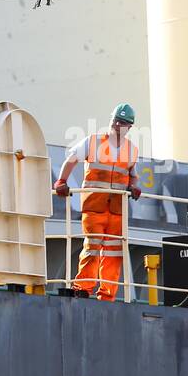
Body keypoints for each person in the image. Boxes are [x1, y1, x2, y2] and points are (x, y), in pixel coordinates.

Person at [53, 103, 142, 301]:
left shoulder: (131, 151)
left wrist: (135, 186)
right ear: (111, 121)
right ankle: (83, 288)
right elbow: (71, 159)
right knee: (92, 246)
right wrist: (61, 181)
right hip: (94, 207)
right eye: (116, 121)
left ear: (130, 127)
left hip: (117, 210)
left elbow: (132, 175)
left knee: (114, 253)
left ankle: (107, 294)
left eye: (123, 123)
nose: (118, 125)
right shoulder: (93, 142)